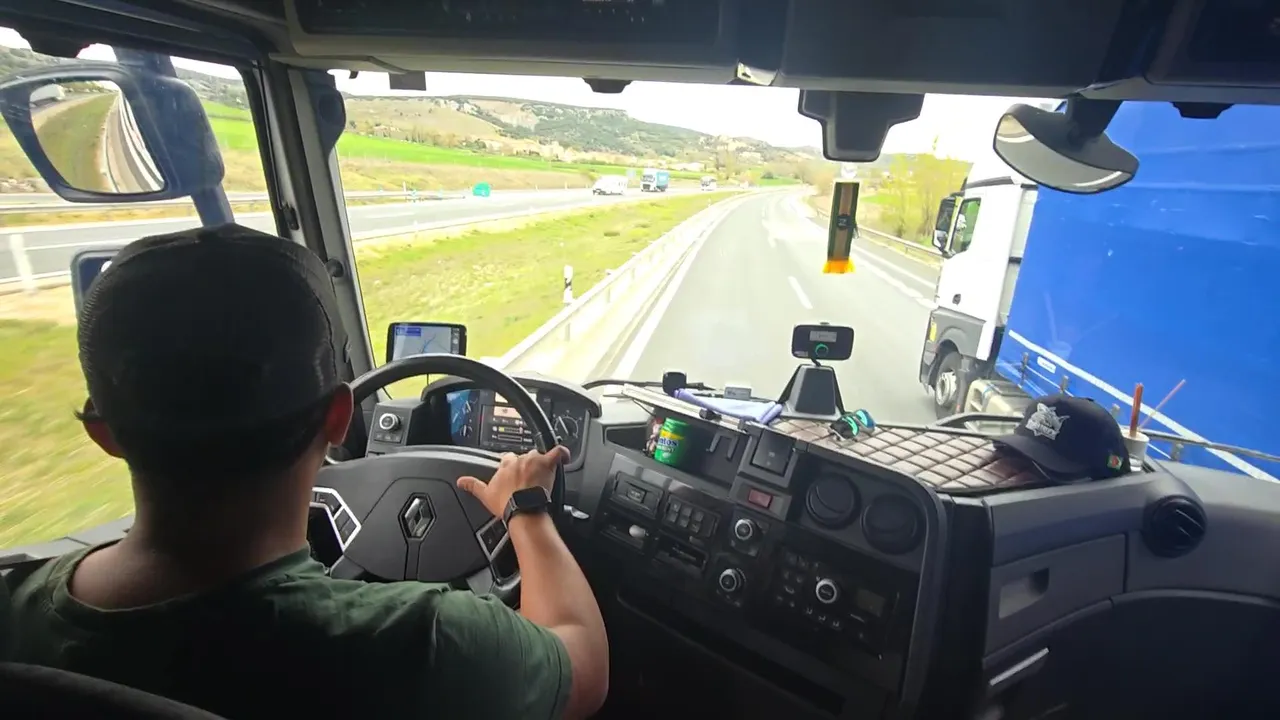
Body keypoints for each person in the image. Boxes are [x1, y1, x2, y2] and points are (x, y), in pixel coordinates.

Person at [5, 224, 609, 719]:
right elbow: (582, 665)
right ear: (339, 418)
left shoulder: (14, 610)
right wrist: (525, 509)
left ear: (103, 432)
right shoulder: (422, 646)